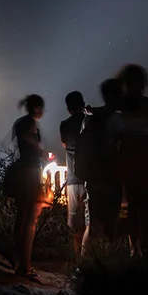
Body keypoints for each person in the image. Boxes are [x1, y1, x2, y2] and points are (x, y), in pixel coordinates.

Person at [109, 64, 148, 257]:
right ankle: (145, 249)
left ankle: (134, 249)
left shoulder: (119, 105)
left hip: (127, 156)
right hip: (144, 157)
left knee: (133, 205)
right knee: (144, 205)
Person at [81, 78, 124, 250]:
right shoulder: (118, 120)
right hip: (112, 177)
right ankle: (108, 265)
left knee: (92, 224)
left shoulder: (89, 119)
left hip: (93, 177)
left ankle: (87, 266)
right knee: (111, 223)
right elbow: (122, 148)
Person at [7, 94, 47, 280]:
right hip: (30, 173)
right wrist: (42, 151)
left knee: (21, 218)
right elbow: (30, 142)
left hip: (21, 172)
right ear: (37, 108)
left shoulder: (20, 122)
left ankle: (18, 260)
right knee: (31, 220)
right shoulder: (29, 124)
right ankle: (25, 265)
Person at [58, 91, 90, 257]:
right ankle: (87, 262)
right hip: (90, 179)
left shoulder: (64, 124)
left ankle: (78, 261)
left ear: (68, 108)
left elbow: (64, 144)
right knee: (90, 225)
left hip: (72, 180)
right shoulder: (90, 121)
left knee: (75, 226)